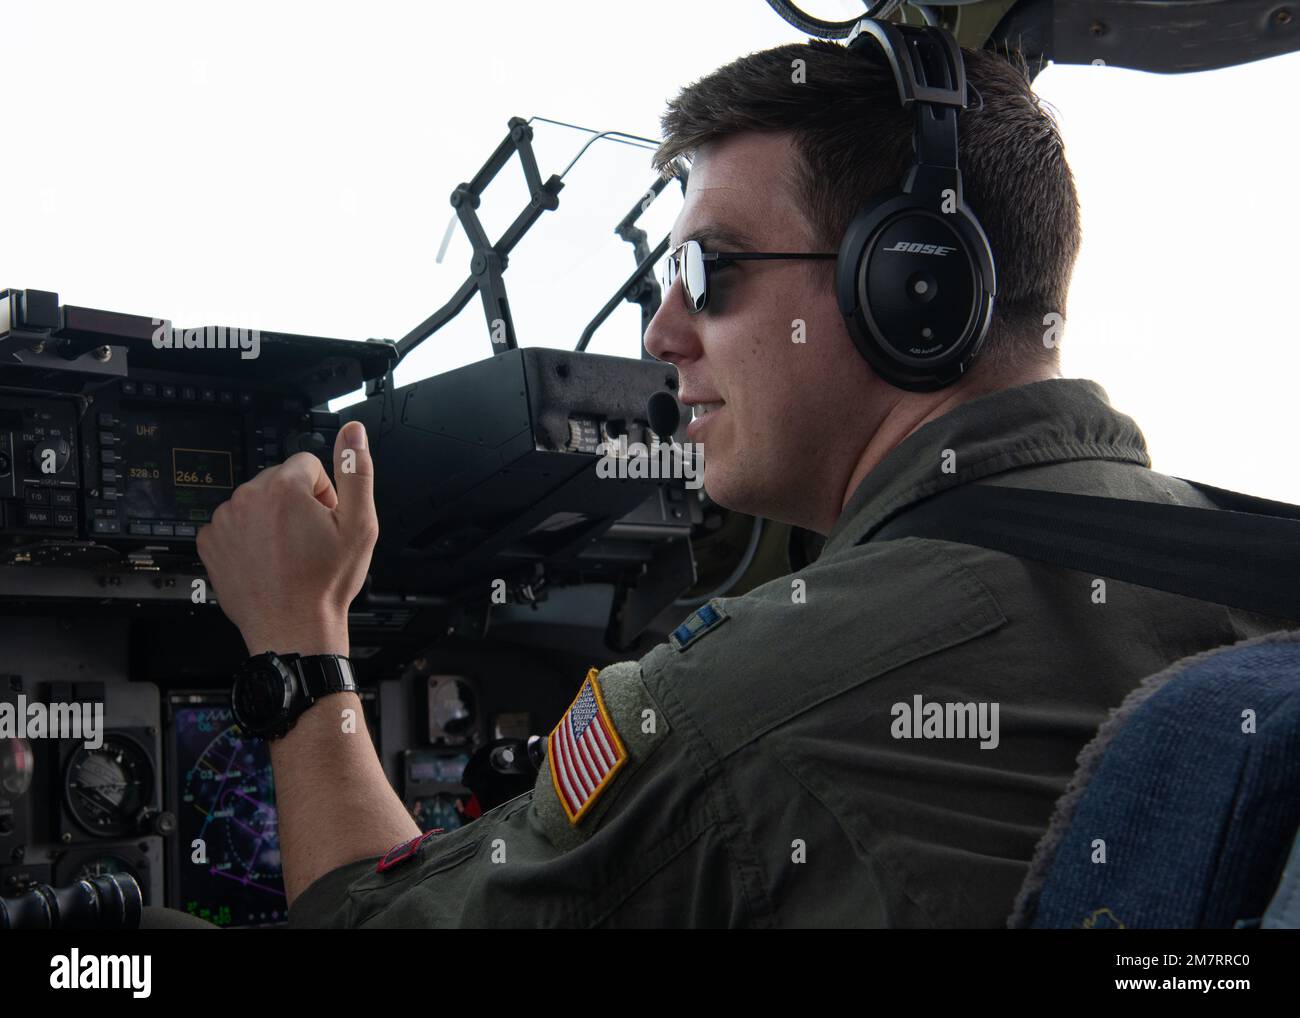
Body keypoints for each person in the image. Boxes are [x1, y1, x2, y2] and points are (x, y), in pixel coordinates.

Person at [196, 39, 1288, 927]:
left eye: (707, 270)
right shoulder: (1245, 568)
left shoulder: (743, 707)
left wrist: (301, 644)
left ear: (911, 287)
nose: (661, 330)